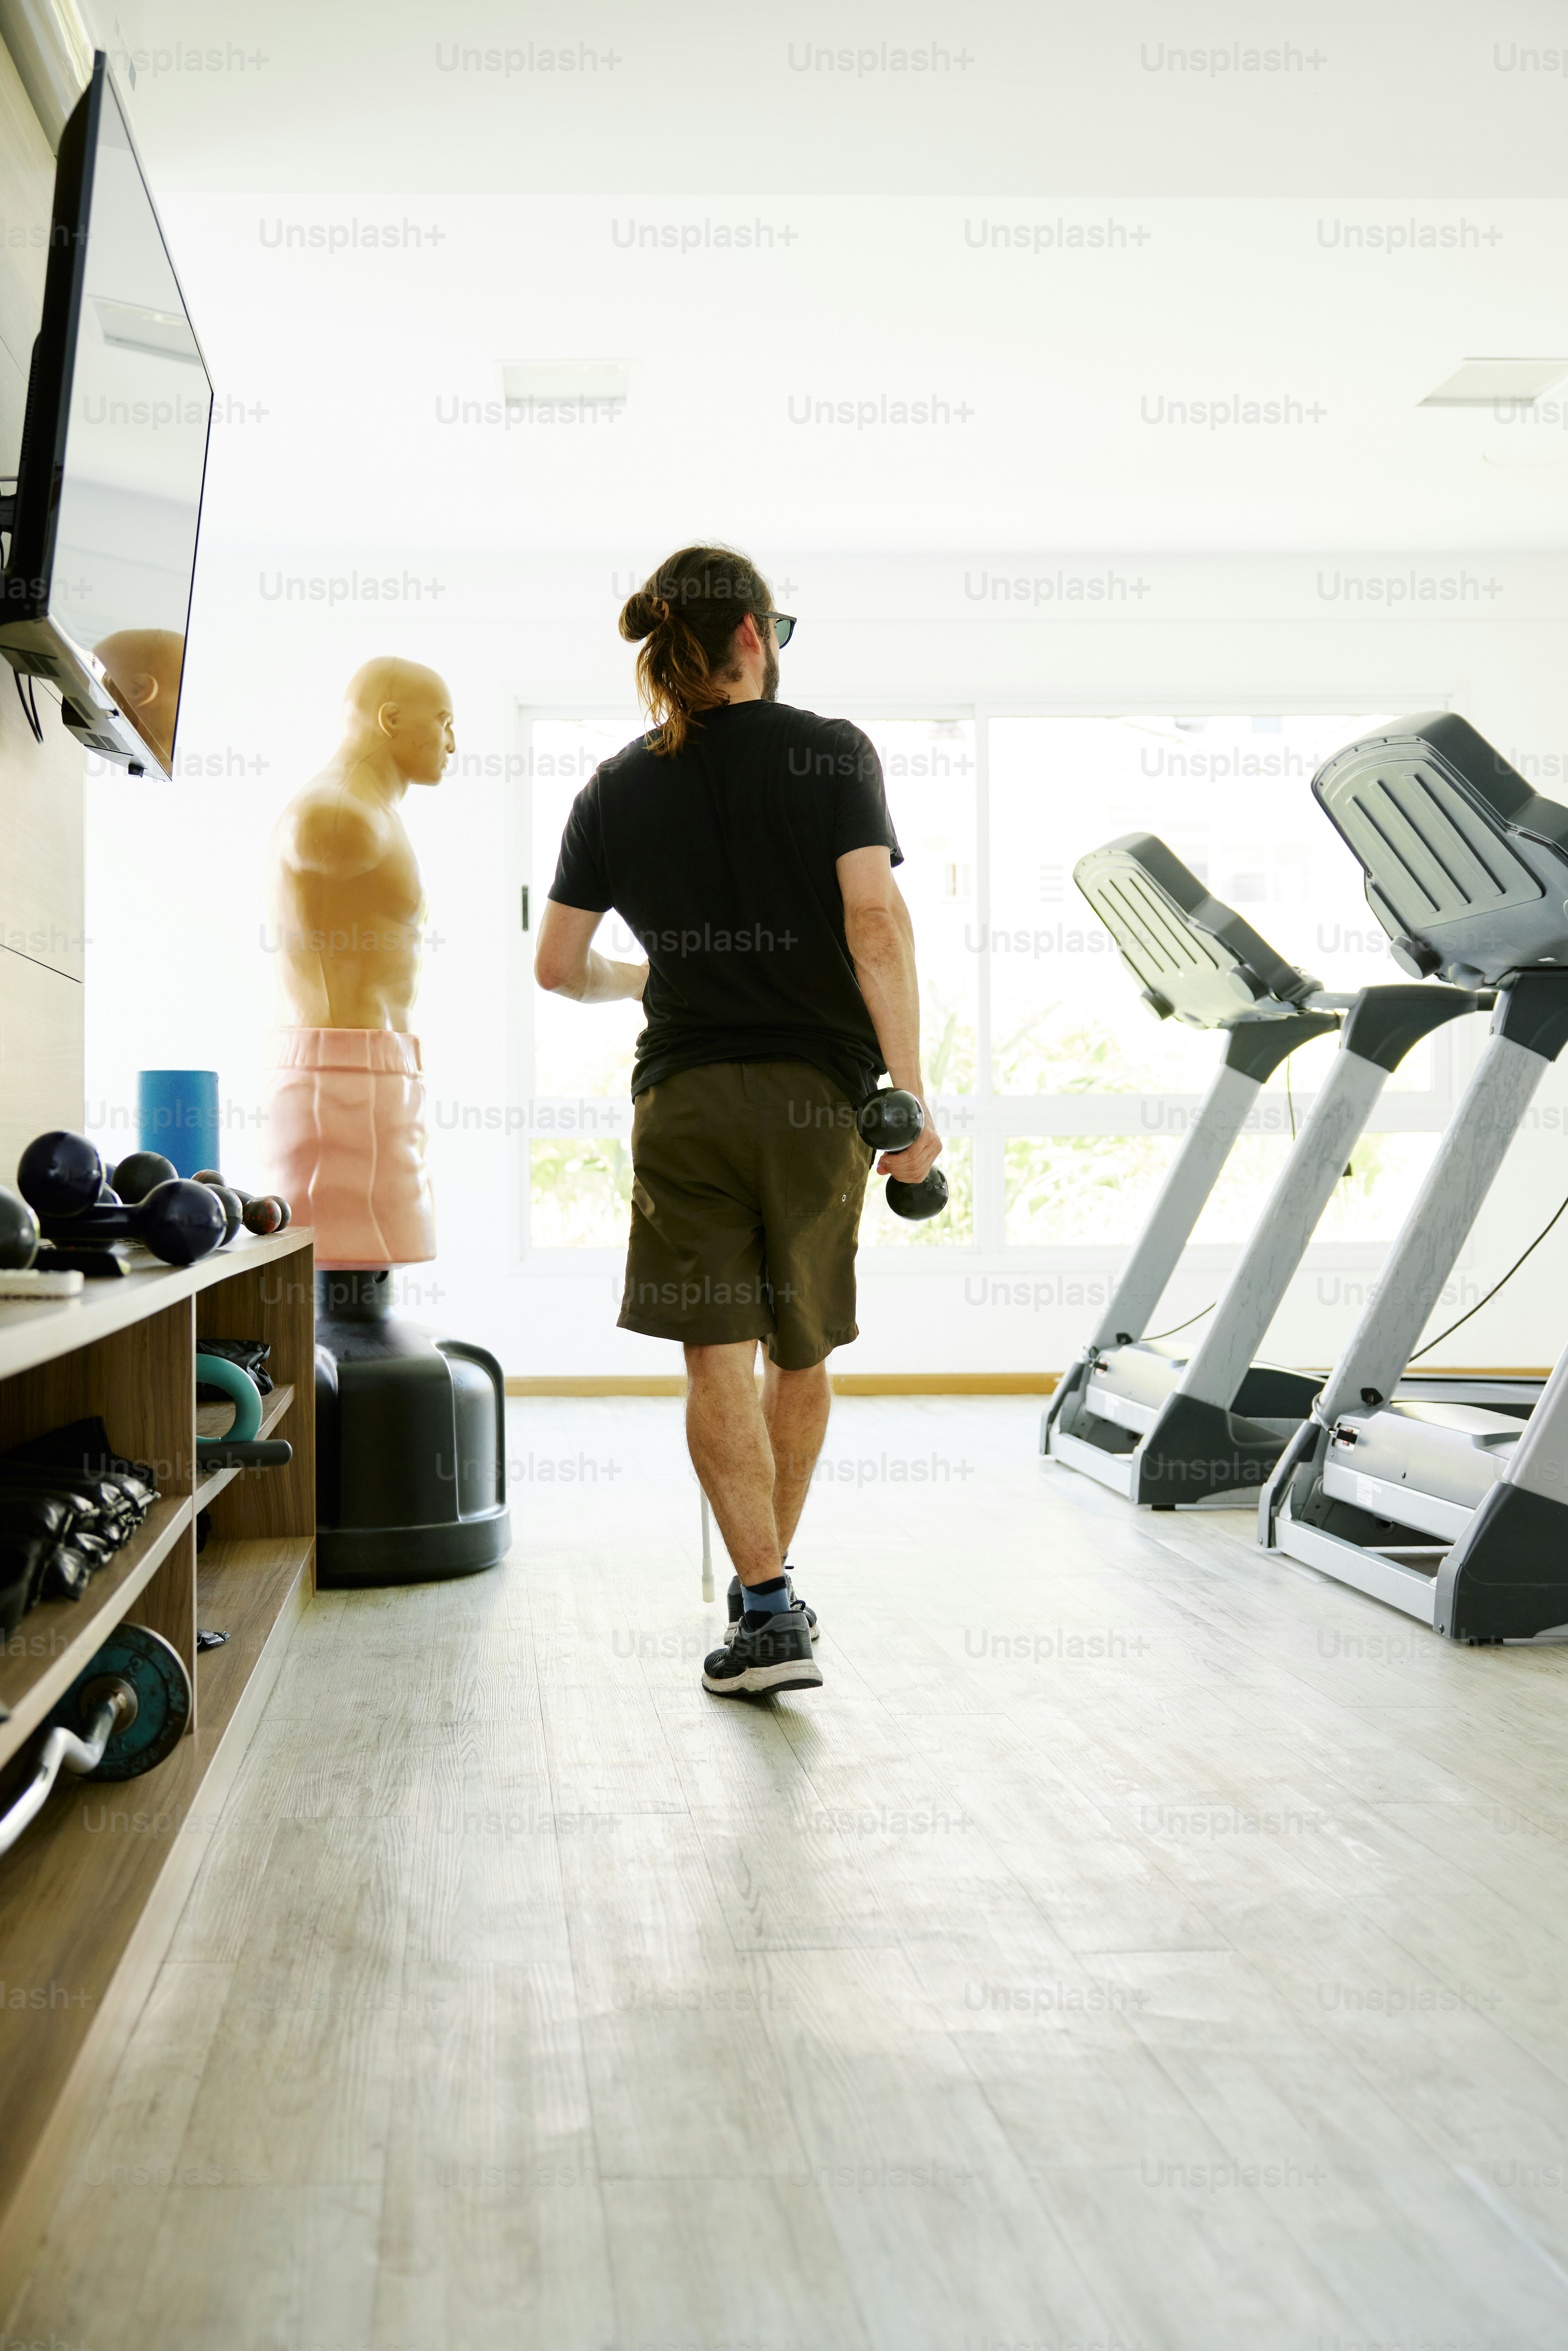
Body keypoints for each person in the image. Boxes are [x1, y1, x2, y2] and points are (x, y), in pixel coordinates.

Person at [534, 546, 942, 1696]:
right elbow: (875, 924)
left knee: (713, 1351)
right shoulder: (833, 752)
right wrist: (909, 1098)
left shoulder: (613, 787)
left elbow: (558, 967)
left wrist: (647, 979)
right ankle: (771, 1603)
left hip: (683, 1100)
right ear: (755, 635)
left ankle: (765, 1604)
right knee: (798, 1350)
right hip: (819, 1101)